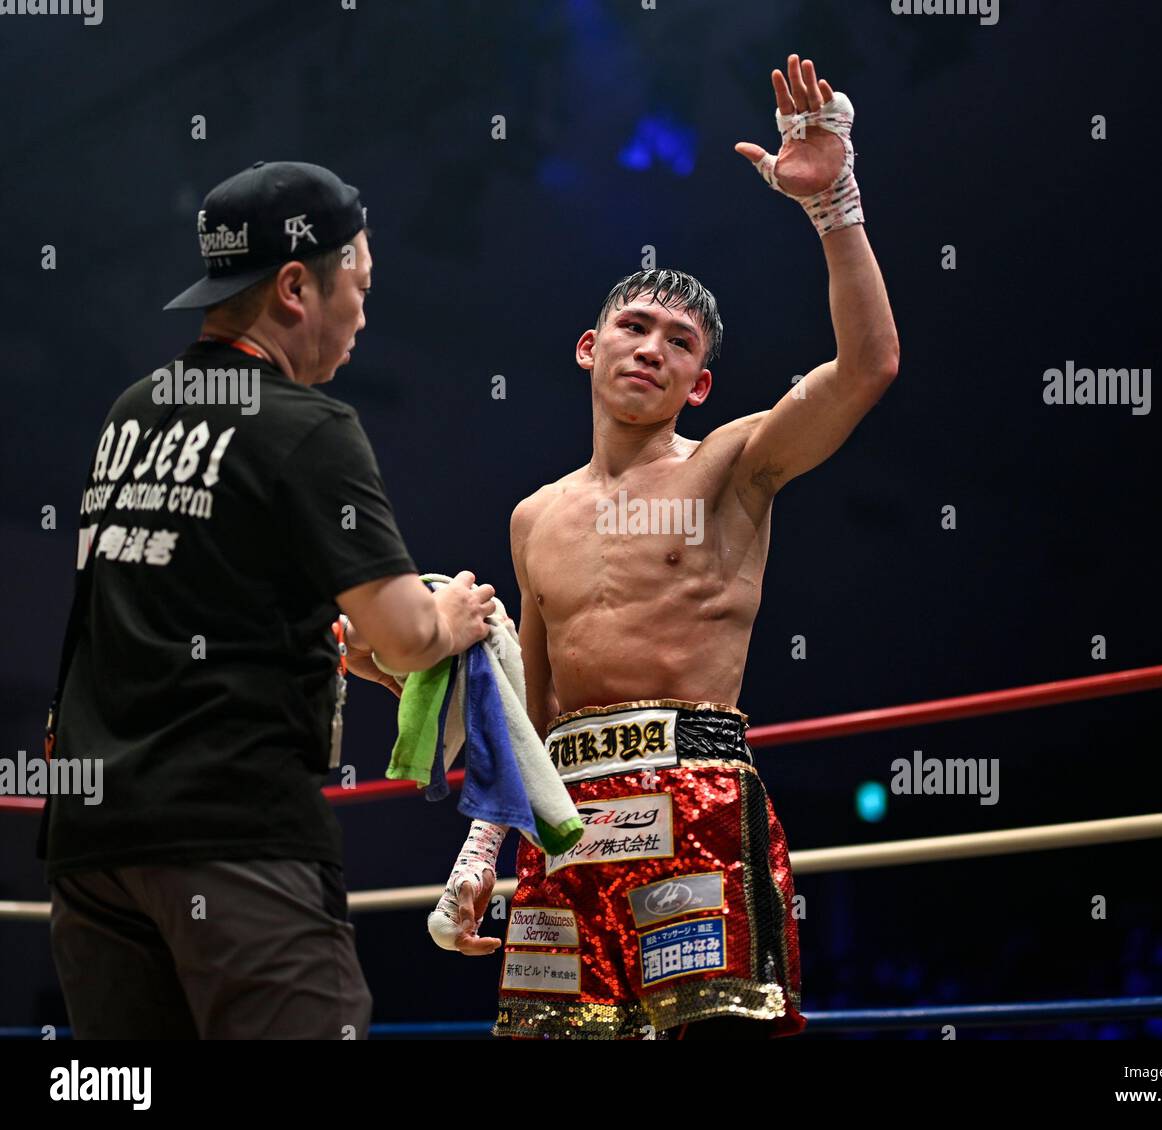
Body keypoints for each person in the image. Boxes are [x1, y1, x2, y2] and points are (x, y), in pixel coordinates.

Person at [434, 56, 901, 1038]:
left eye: (679, 341)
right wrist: (481, 850)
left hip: (693, 802)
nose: (651, 346)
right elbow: (533, 705)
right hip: (565, 831)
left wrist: (835, 205)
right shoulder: (533, 515)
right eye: (633, 326)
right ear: (587, 347)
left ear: (698, 382)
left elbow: (867, 367)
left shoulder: (732, 464)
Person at [39, 160, 496, 1039]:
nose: (364, 311)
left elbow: (167, 599)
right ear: (295, 285)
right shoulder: (307, 425)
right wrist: (454, 616)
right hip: (232, 837)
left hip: (93, 846)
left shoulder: (133, 411)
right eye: (358, 283)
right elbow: (405, 637)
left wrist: (323, 638)